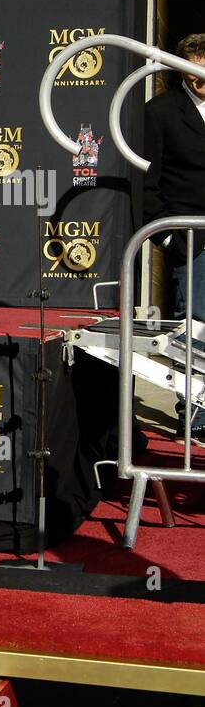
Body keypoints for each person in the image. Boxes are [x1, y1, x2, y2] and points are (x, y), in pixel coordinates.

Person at [143, 32, 205, 440]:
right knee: (196, 324)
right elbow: (146, 178)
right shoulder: (160, 112)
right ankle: (195, 408)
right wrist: (166, 236)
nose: (201, 77)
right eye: (193, 69)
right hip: (192, 238)